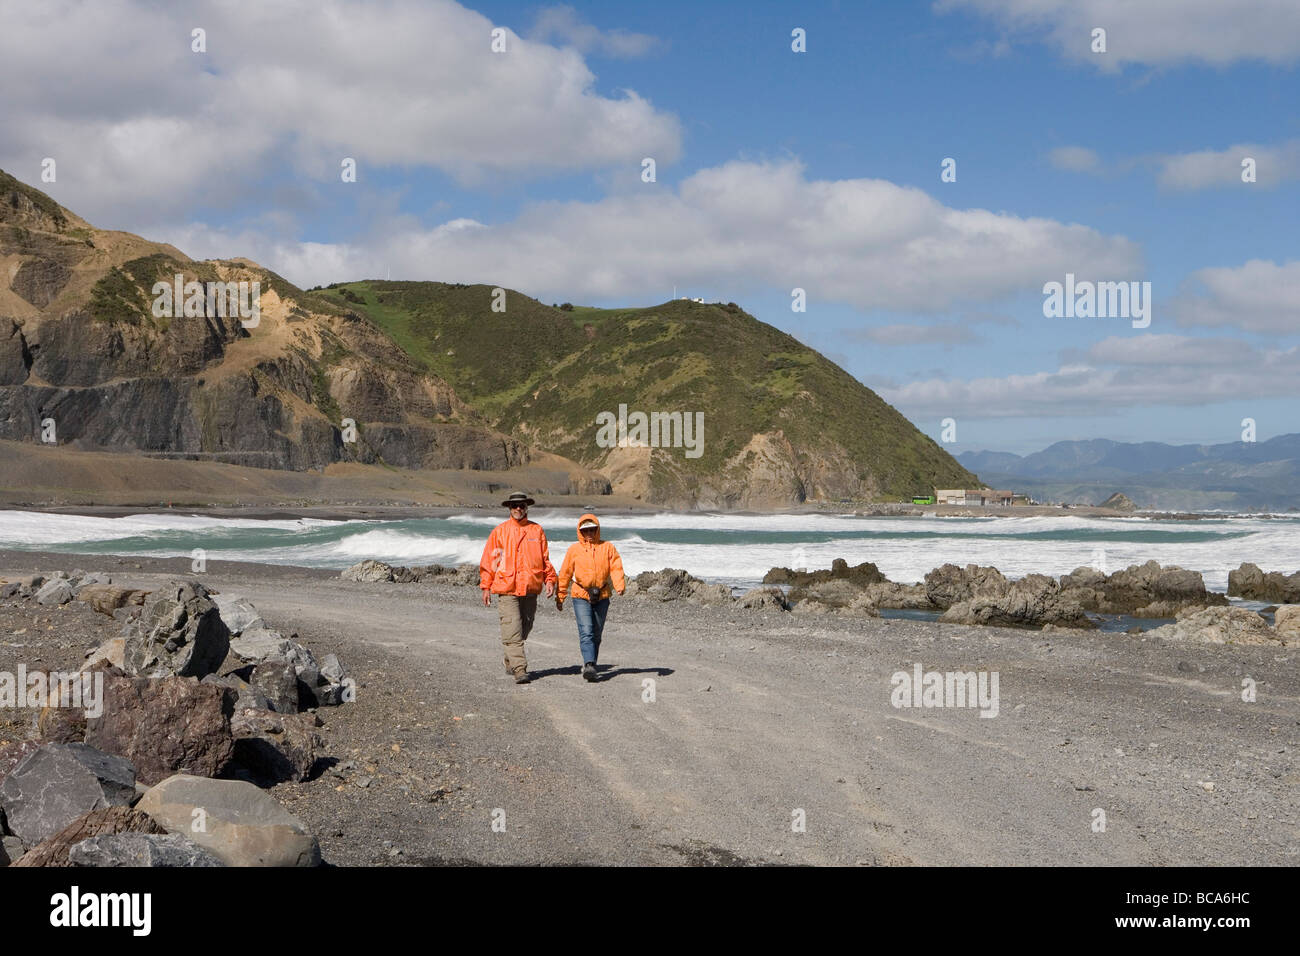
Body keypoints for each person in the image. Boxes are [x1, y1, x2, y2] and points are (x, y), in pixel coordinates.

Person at [479, 493, 557, 684]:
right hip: (507, 587)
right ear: (509, 508)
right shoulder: (500, 532)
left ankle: (509, 659)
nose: (518, 509)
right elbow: (491, 561)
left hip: (531, 587)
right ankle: (520, 669)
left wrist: (550, 579)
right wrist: (486, 586)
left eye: (521, 505)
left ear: (526, 507)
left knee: (525, 627)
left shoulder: (537, 530)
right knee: (512, 628)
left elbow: (545, 559)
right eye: (514, 506)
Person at [556, 513, 625, 682]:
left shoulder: (608, 547)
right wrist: (561, 594)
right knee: (586, 631)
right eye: (585, 530)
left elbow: (616, 567)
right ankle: (589, 665)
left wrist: (619, 585)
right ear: (580, 531)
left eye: (592, 529)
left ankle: (591, 663)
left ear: (597, 529)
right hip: (580, 594)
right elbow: (565, 573)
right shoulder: (574, 550)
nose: (589, 533)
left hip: (602, 594)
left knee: (597, 633)